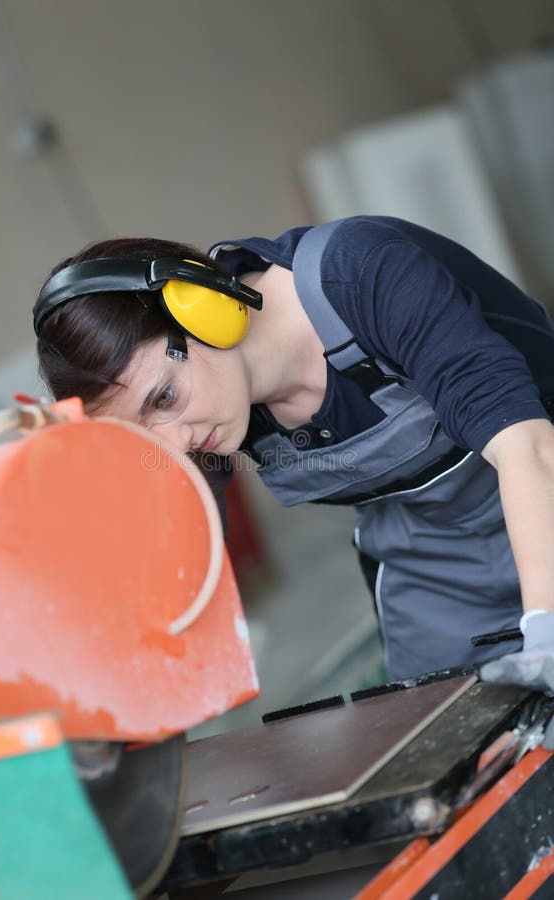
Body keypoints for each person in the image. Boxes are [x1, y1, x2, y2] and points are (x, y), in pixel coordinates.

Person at [33, 217, 554, 740]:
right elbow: (181, 565)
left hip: (541, 481)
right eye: (144, 434)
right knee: (448, 748)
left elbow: (527, 448)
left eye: (164, 397)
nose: (175, 445)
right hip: (432, 565)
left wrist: (547, 633)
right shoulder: (205, 421)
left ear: (205, 306)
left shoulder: (360, 274)